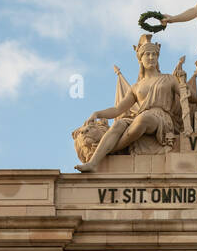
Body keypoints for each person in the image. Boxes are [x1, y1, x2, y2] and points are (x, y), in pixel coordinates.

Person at [75, 36, 183, 172]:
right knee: (119, 124)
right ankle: (93, 162)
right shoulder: (136, 87)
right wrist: (97, 113)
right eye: (147, 54)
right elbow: (117, 109)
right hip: (143, 116)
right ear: (141, 59)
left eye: (154, 54)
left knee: (142, 119)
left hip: (161, 119)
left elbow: (192, 97)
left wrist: (183, 83)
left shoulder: (169, 79)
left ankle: (109, 149)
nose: (151, 57)